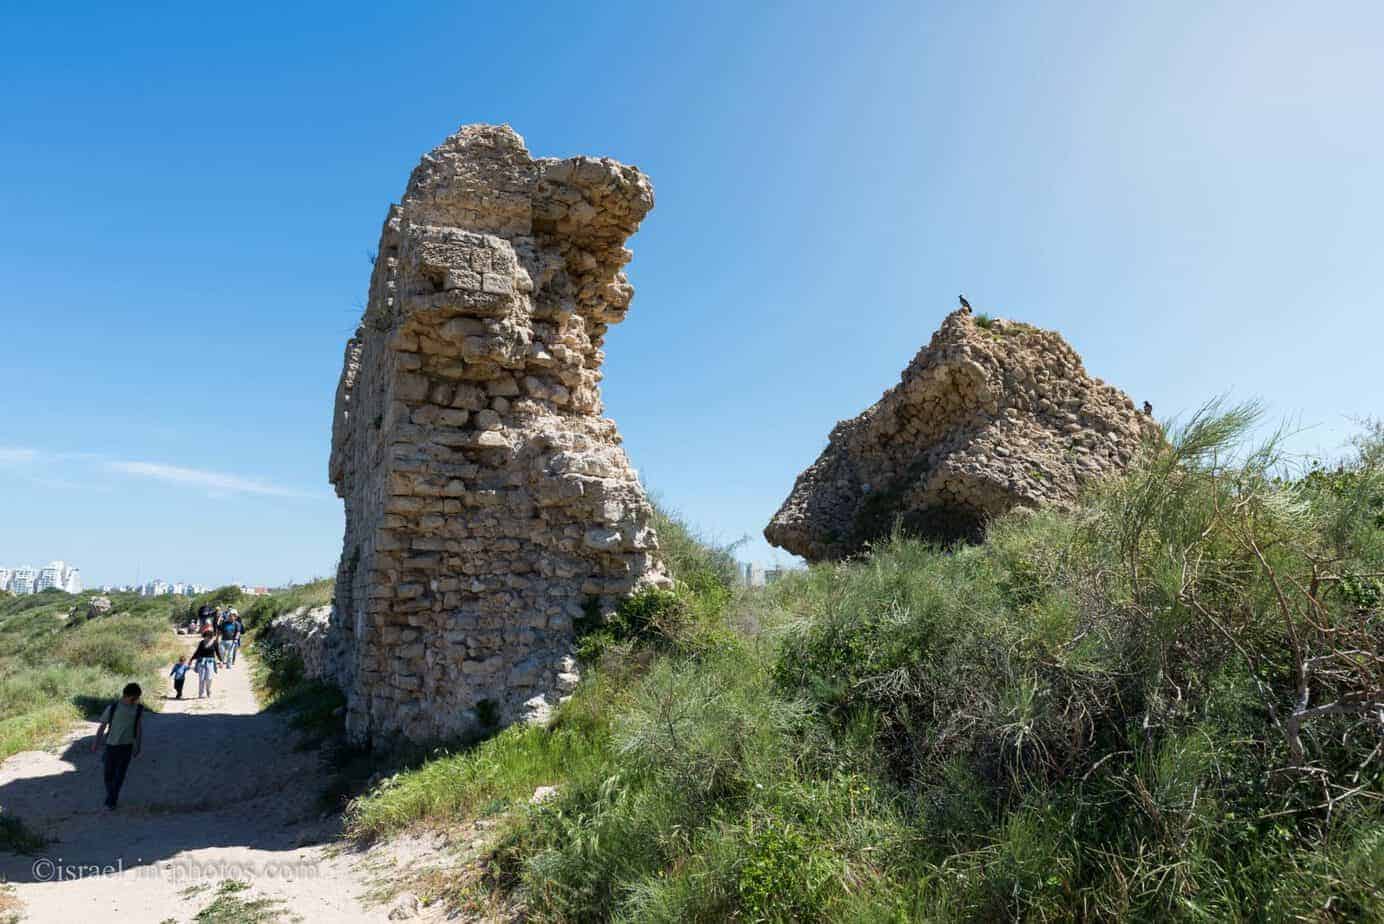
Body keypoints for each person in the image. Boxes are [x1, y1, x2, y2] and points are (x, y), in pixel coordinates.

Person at [91, 682, 144, 810]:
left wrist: (138, 745)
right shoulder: (113, 707)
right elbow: (102, 726)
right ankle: (111, 796)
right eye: (135, 698)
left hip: (126, 747)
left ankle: (111, 801)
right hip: (110, 746)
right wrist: (95, 743)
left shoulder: (138, 709)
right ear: (128, 696)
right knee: (108, 775)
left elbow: (138, 728)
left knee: (120, 776)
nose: (136, 700)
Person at [190, 629, 222, 698]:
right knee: (201, 679)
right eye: (205, 636)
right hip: (201, 662)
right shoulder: (202, 643)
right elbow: (197, 652)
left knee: (209, 678)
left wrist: (221, 661)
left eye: (208, 636)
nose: (206, 638)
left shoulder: (215, 643)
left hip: (210, 662)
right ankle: (201, 693)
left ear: (211, 636)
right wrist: (191, 659)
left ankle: (208, 690)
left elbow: (218, 652)